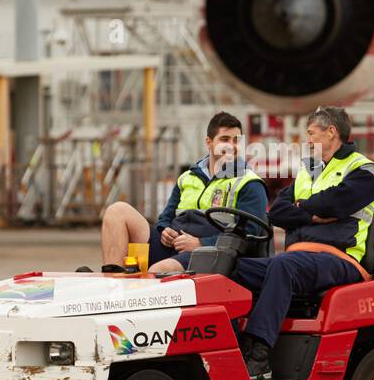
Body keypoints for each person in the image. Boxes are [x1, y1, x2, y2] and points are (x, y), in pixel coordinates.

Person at [233, 106, 374, 380]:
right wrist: (313, 213)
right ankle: (229, 345)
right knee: (232, 268)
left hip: (341, 259)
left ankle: (259, 353)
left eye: (311, 133)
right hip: (300, 259)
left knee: (283, 266)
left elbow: (337, 203)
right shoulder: (308, 171)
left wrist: (302, 209)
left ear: (331, 132)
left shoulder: (365, 171)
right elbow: (277, 211)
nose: (307, 140)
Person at [97, 111, 268, 276]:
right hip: (173, 245)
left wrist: (200, 244)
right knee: (117, 211)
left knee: (158, 270)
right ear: (209, 142)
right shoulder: (187, 177)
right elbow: (165, 218)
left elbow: (249, 236)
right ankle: (113, 286)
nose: (231, 146)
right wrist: (164, 231)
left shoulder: (249, 183)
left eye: (236, 140)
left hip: (210, 255)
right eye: (224, 139)